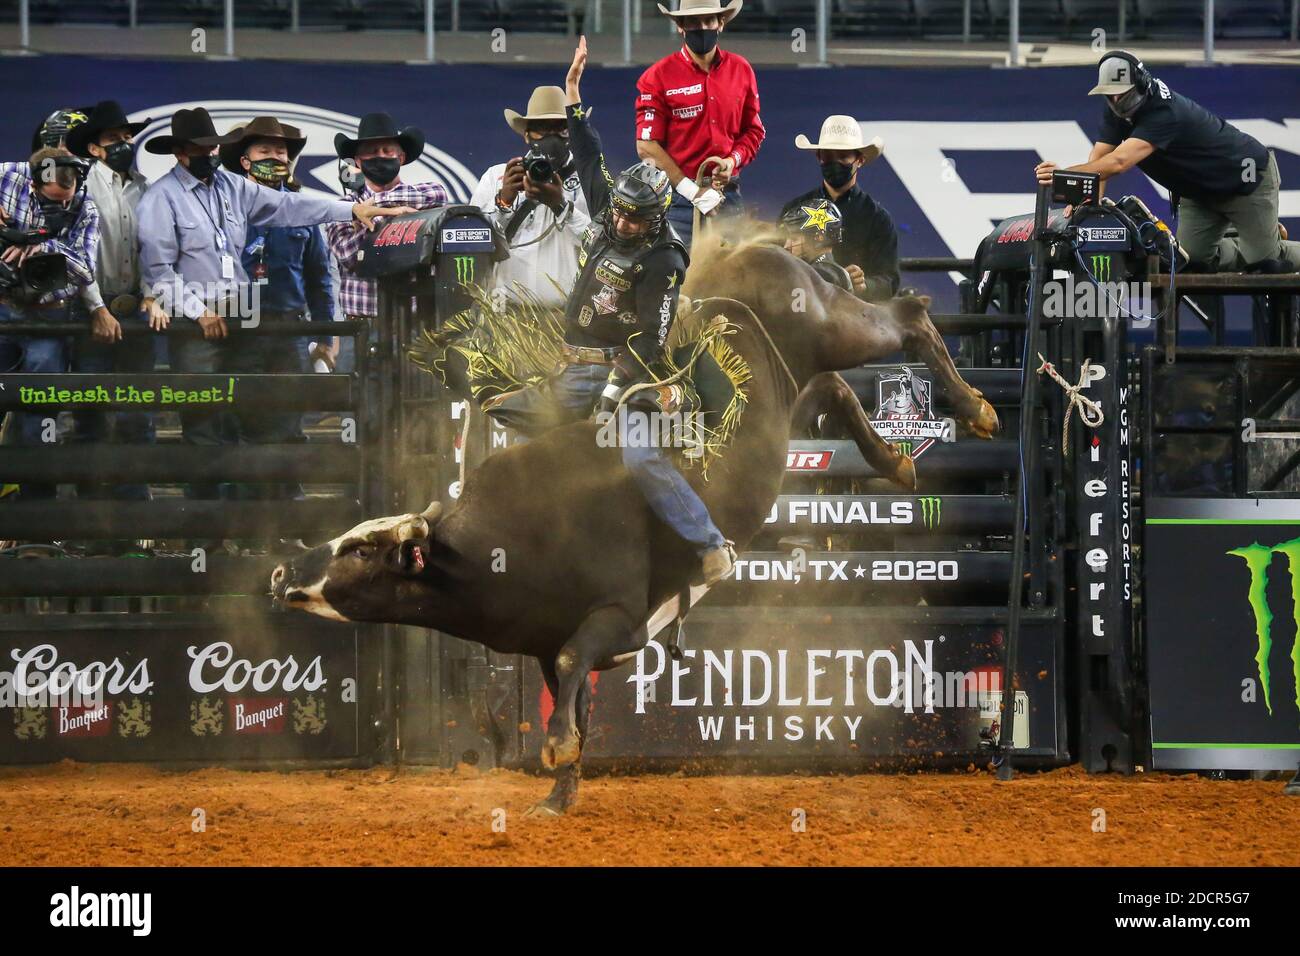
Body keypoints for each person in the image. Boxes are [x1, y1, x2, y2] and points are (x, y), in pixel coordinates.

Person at [486, 37, 735, 586]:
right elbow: (593, 158)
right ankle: (532, 542)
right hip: (572, 364)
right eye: (618, 213)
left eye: (632, 219)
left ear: (653, 218)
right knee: (505, 418)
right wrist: (573, 98)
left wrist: (607, 395)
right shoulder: (611, 211)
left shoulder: (665, 256)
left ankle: (710, 543)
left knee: (639, 456)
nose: (621, 225)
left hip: (626, 377)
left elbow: (651, 337)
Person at [136, 106, 412, 500]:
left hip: (245, 318)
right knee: (205, 425)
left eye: (213, 147)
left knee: (258, 418)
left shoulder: (232, 188)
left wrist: (350, 208)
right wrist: (200, 313)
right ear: (180, 152)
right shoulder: (160, 199)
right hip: (198, 323)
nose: (209, 154)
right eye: (200, 148)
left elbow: (291, 208)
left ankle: (257, 522)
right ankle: (206, 528)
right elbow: (158, 271)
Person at [1035, 50, 1300, 272]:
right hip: (1197, 193)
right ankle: (1255, 232)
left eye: (1121, 94)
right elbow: (1100, 160)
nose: (1116, 101)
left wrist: (1066, 174)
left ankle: (1263, 239)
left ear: (1140, 84)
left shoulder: (1164, 112)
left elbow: (1118, 163)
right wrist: (1084, 201)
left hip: (1244, 182)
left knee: (1266, 263)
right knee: (1190, 261)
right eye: (1110, 95)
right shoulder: (1116, 109)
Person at [218, 115, 336, 502]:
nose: (275, 157)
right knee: (241, 422)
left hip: (288, 329)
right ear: (245, 161)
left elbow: (320, 277)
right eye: (265, 151)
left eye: (281, 152)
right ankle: (243, 521)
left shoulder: (302, 210)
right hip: (238, 328)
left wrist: (325, 335)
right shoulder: (225, 207)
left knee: (288, 422)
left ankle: (290, 514)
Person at [65, 100, 163, 505]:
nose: (124, 142)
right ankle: (89, 516)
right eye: (113, 138)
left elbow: (158, 248)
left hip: (136, 310)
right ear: (94, 148)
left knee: (137, 415)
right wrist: (95, 308)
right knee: (90, 413)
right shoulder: (79, 188)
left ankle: (134, 515)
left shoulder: (146, 188)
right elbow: (72, 251)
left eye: (126, 136)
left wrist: (154, 294)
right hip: (91, 310)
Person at [0, 147, 100, 501]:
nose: (58, 206)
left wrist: (43, 246)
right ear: (35, 182)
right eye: (50, 199)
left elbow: (87, 269)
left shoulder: (85, 208)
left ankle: (38, 516)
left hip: (50, 315)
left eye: (65, 197)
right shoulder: (8, 175)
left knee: (40, 414)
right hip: (2, 309)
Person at [635, 0, 763, 248]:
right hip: (678, 202)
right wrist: (692, 192)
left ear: (720, 23)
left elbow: (754, 131)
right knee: (677, 278)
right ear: (680, 27)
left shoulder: (741, 70)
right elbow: (646, 146)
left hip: (728, 196)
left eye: (708, 21)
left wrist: (731, 161)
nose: (702, 27)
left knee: (737, 280)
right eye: (693, 22)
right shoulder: (657, 77)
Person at [470, 86, 591, 309]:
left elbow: (604, 244)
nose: (551, 137)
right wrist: (503, 201)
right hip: (506, 316)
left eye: (561, 129)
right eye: (541, 130)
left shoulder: (590, 180)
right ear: (526, 135)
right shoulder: (496, 177)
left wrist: (561, 206)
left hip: (565, 317)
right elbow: (474, 244)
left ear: (572, 132)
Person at [326, 111, 449, 332]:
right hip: (360, 326)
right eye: (372, 152)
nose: (380, 156)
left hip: (413, 324)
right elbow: (349, 256)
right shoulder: (342, 207)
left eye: (386, 150)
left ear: (400, 158)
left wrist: (371, 212)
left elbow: (438, 195)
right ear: (357, 162)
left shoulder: (427, 193)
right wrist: (393, 214)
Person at [781, 115, 898, 302]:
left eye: (843, 156)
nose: (834, 163)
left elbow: (890, 281)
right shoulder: (794, 209)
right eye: (827, 156)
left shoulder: (877, 218)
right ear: (819, 157)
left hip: (856, 314)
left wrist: (864, 285)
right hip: (801, 309)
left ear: (860, 160)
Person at [779, 198, 856, 293]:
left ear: (819, 237)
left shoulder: (822, 274)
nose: (786, 246)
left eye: (794, 239)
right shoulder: (835, 271)